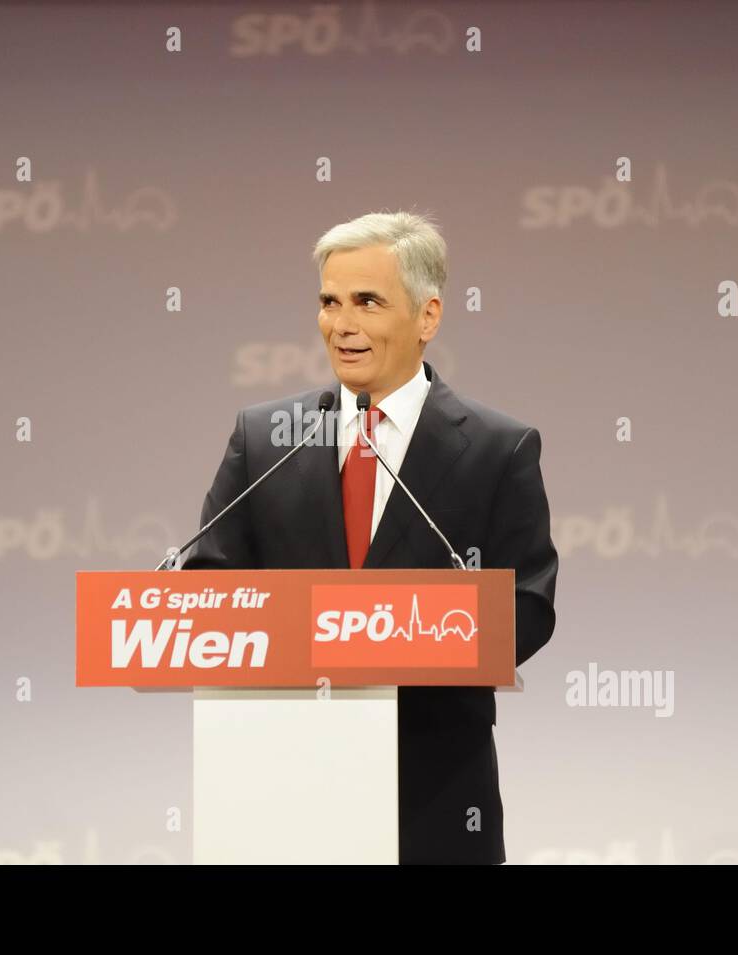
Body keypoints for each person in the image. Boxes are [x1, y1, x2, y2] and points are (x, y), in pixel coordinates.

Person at [183, 210, 558, 864]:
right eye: (329, 302)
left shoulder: (498, 449)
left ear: (428, 315)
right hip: (282, 781)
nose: (341, 323)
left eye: (367, 301)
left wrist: (410, 637)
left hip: (434, 793)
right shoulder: (265, 437)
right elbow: (210, 583)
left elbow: (529, 605)